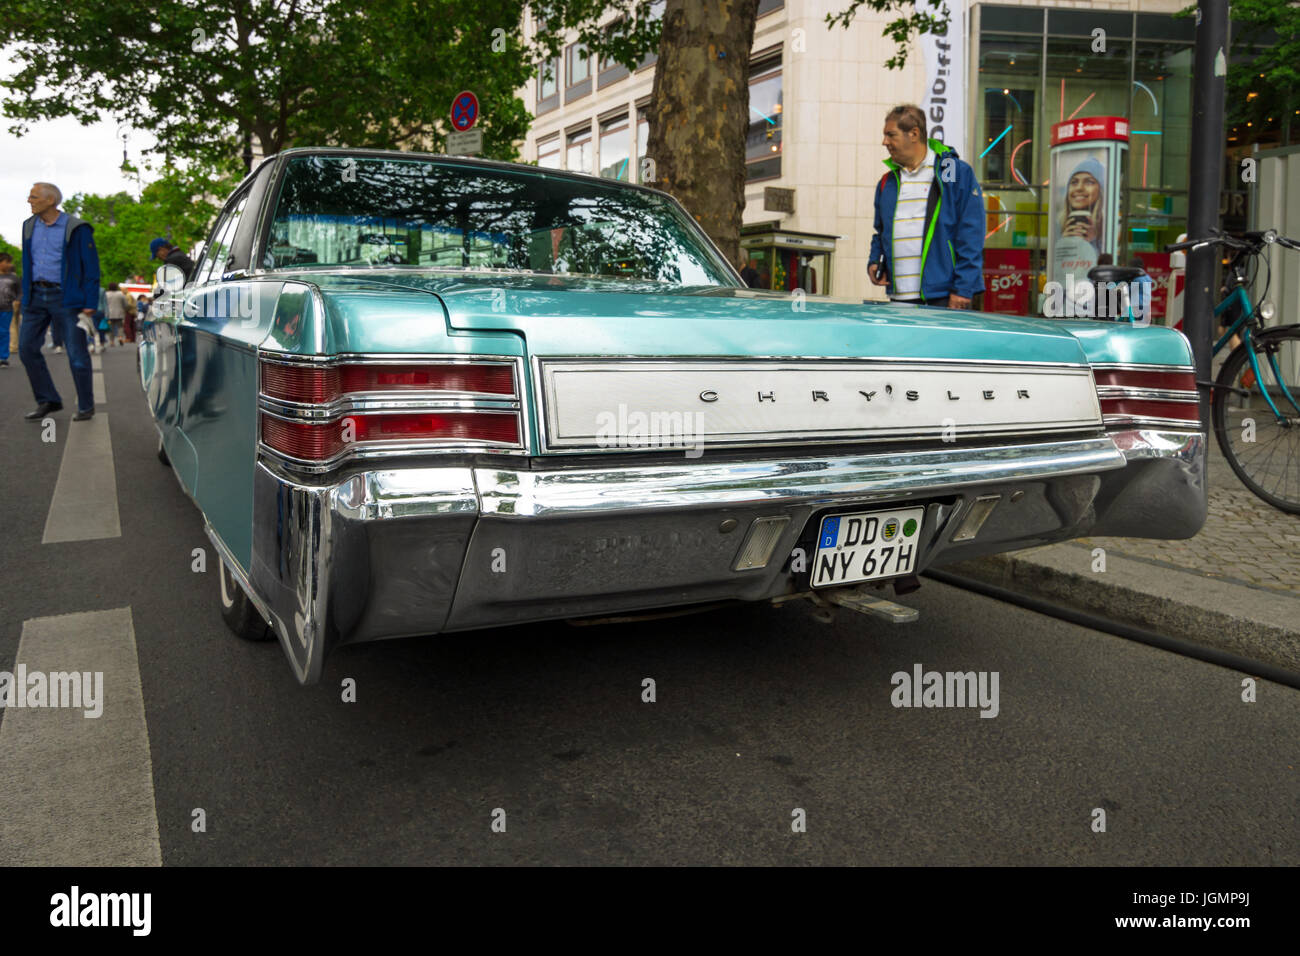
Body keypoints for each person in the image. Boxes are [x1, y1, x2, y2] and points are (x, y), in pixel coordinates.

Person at [868, 104, 985, 309]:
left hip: (943, 297)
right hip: (898, 298)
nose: (884, 142)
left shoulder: (953, 172)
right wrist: (874, 261)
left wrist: (963, 288)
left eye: (890, 135)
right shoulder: (887, 182)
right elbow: (880, 232)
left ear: (913, 133)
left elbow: (971, 234)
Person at [18, 182, 99, 421]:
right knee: (26, 349)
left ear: (50, 200)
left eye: (33, 197)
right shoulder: (28, 226)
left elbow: (91, 267)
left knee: (76, 354)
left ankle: (86, 405)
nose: (29, 200)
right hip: (35, 297)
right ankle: (48, 400)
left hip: (66, 298)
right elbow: (27, 262)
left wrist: (90, 301)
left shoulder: (77, 228)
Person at [1059, 158, 1105, 254]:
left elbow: (1104, 263)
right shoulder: (1058, 225)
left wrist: (1092, 241)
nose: (1079, 188)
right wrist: (1064, 245)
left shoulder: (1108, 227)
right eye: (1074, 182)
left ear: (1100, 190)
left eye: (1089, 182)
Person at [0, 252, 19, 368]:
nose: (9, 265)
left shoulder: (14, 278)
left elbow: (20, 292)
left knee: (4, 332)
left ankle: (3, 357)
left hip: (6, 308)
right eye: (7, 262)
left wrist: (17, 300)